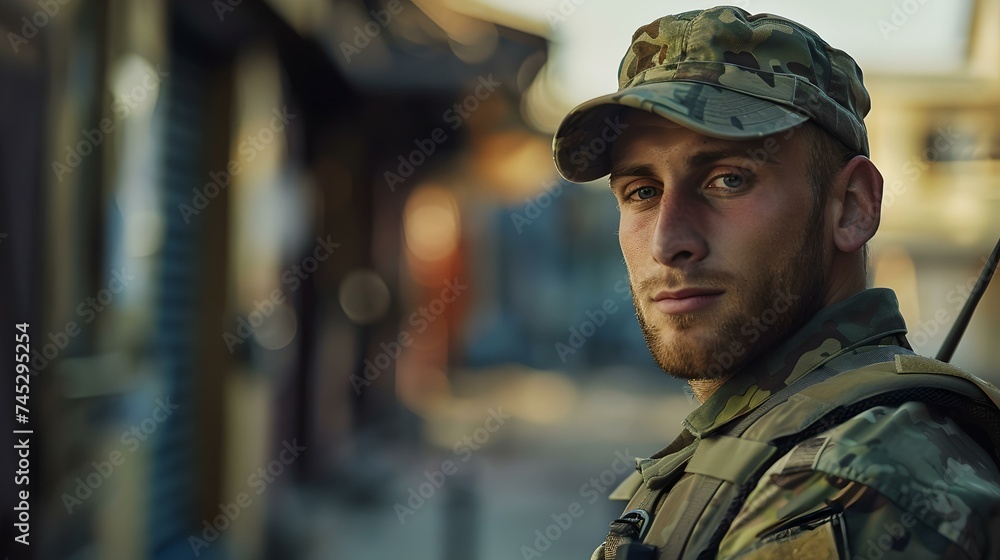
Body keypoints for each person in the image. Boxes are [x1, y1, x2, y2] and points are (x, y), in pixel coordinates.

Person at [551, 6, 1000, 559]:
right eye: (642, 191)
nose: (669, 241)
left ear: (851, 207)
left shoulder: (852, 487)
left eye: (728, 179)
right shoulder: (765, 436)